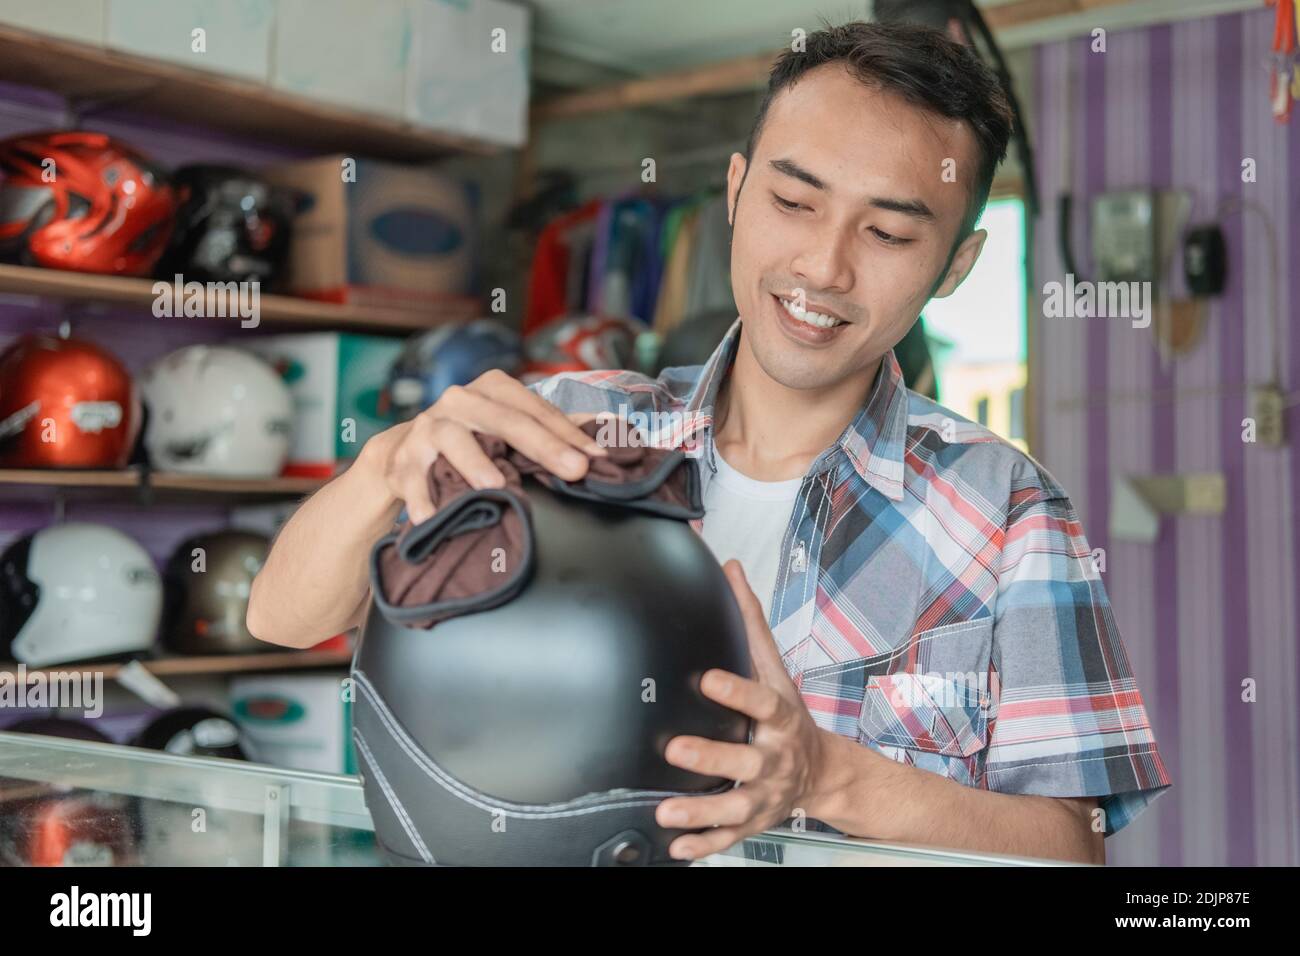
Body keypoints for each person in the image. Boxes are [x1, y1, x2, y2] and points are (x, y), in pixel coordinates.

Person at [248, 21, 1169, 865]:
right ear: (735, 191)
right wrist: (390, 461)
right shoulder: (566, 425)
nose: (824, 266)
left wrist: (828, 779)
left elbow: (1071, 847)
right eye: (794, 202)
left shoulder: (1004, 509)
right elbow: (283, 620)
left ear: (954, 266)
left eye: (888, 231)